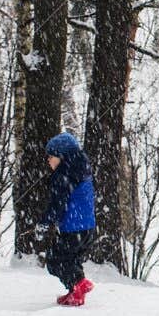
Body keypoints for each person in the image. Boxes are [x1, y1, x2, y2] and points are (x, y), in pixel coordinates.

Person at [44, 132, 96, 307]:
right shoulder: (80, 169)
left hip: (73, 227)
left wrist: (45, 222)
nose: (48, 160)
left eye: (51, 156)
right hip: (87, 227)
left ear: (61, 156)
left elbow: (57, 204)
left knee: (54, 259)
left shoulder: (63, 176)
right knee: (72, 259)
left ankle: (80, 284)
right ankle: (76, 293)